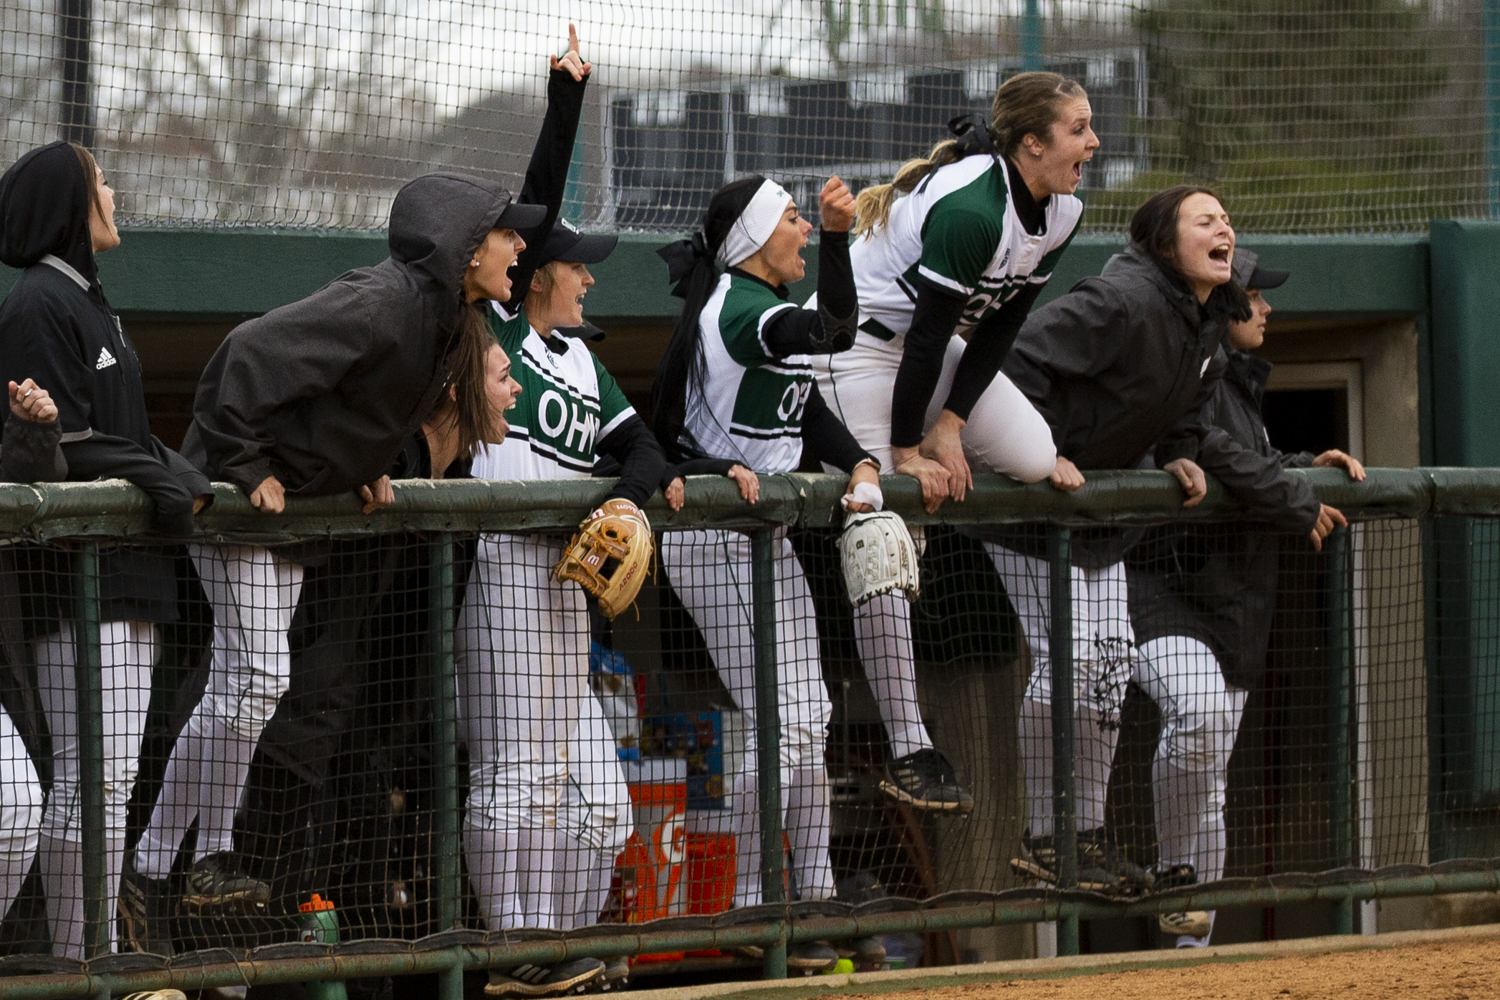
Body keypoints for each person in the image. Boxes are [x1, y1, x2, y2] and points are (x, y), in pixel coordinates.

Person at [119, 154, 543, 955]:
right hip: (233, 490)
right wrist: (245, 462)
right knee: (256, 681)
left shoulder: (442, 321)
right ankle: (169, 863)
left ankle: (163, 866)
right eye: (501, 235)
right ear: (461, 245)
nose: (516, 249)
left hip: (296, 517)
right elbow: (248, 353)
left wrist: (365, 465)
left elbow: (350, 407)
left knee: (252, 685)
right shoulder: (385, 302)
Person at [993, 186, 1347, 899]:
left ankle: (1081, 836)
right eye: (1203, 220)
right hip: (1027, 504)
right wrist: (1037, 447)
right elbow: (1013, 363)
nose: (1223, 227)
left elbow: (1178, 410)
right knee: (1073, 658)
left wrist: (1172, 451)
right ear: (1164, 243)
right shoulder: (1121, 299)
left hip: (1097, 520)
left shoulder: (1204, 326)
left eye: (1226, 220)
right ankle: (1044, 834)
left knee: (1111, 662)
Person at [809, 71, 1099, 813]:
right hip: (858, 353)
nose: (1092, 143)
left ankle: (927, 462)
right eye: (1077, 130)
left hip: (922, 356)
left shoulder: (1060, 210)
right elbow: (930, 332)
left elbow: (998, 322)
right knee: (888, 529)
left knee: (1034, 457)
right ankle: (909, 749)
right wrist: (909, 455)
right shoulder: (975, 206)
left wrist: (952, 428)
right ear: (1032, 143)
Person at [652, 174, 886, 972]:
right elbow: (837, 328)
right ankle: (765, 900)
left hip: (761, 536)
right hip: (718, 538)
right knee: (785, 718)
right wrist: (836, 236)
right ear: (754, 239)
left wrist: (855, 457)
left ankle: (802, 895)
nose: (797, 227)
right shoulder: (740, 307)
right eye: (788, 218)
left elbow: (802, 410)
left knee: (805, 715)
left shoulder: (753, 308)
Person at [0, 141, 213, 958]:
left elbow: (114, 436)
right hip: (79, 584)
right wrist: (167, 480)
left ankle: (92, 956)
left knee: (112, 782)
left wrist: (172, 471)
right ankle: (82, 960)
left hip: (130, 581)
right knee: (91, 781)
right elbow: (67, 447)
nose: (114, 193)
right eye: (99, 183)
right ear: (69, 203)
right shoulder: (35, 305)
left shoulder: (91, 300)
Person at [456, 217, 669, 997]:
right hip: (504, 565)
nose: (589, 279)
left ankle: (562, 941)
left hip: (565, 581)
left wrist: (623, 504)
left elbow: (645, 449)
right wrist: (565, 94)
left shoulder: (581, 357)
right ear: (539, 272)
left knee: (592, 798)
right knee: (514, 779)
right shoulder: (498, 326)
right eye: (579, 266)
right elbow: (537, 207)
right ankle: (515, 944)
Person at [1127, 248, 1365, 947]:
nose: (1267, 308)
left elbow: (1243, 460)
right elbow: (1202, 447)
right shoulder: (1187, 369)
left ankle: (1190, 954)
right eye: (1255, 296)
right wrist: (1290, 492)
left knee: (1211, 784)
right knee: (1195, 716)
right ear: (1224, 304)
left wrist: (1299, 467)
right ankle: (1176, 879)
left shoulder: (1239, 381)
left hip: (1235, 606)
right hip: (1161, 587)